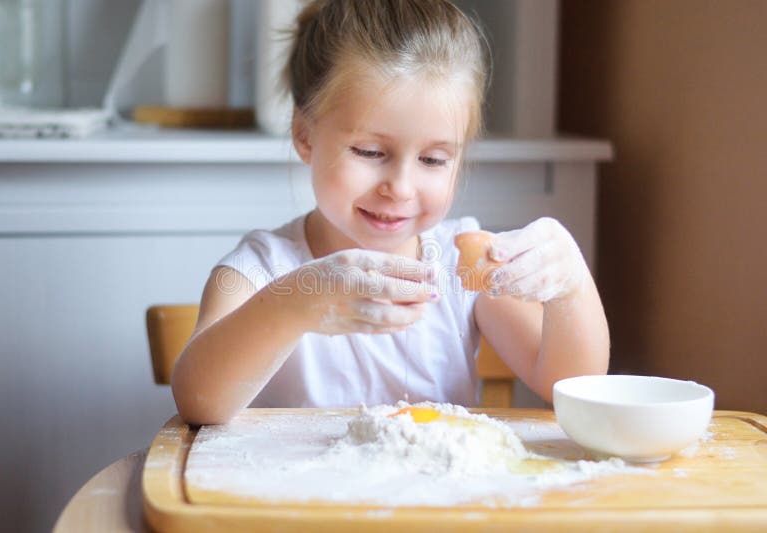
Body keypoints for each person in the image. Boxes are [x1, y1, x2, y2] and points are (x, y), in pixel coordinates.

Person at [172, 0, 609, 425]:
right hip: (301, 499)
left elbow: (571, 386)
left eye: (434, 160)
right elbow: (199, 400)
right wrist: (297, 305)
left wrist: (571, 284)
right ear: (304, 136)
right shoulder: (263, 268)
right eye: (370, 151)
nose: (399, 188)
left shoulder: (462, 266)